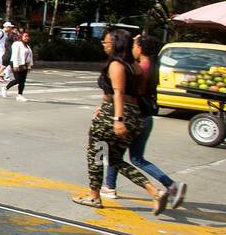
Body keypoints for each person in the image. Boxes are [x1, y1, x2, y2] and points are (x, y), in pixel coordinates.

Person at [72, 28, 169, 215]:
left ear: (116, 44)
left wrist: (117, 119)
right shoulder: (136, 66)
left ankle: (94, 196)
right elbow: (137, 93)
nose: (104, 45)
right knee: (115, 159)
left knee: (95, 155)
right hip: (134, 115)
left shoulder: (117, 65)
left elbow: (119, 93)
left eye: (107, 42)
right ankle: (155, 192)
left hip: (114, 115)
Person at [101, 33, 188, 207]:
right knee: (136, 158)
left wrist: (118, 117)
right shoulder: (152, 65)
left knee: (114, 153)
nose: (131, 49)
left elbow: (127, 94)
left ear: (140, 48)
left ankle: (110, 187)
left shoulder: (141, 68)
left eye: (134, 46)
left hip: (135, 117)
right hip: (146, 117)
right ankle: (171, 186)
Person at [3, 31, 34, 101]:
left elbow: (30, 57)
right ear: (21, 37)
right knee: (18, 79)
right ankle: (5, 88)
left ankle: (20, 95)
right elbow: (15, 55)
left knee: (22, 81)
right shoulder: (17, 44)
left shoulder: (27, 46)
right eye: (25, 36)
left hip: (24, 64)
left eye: (28, 36)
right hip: (15, 63)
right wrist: (15, 65)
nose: (27, 38)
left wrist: (29, 66)